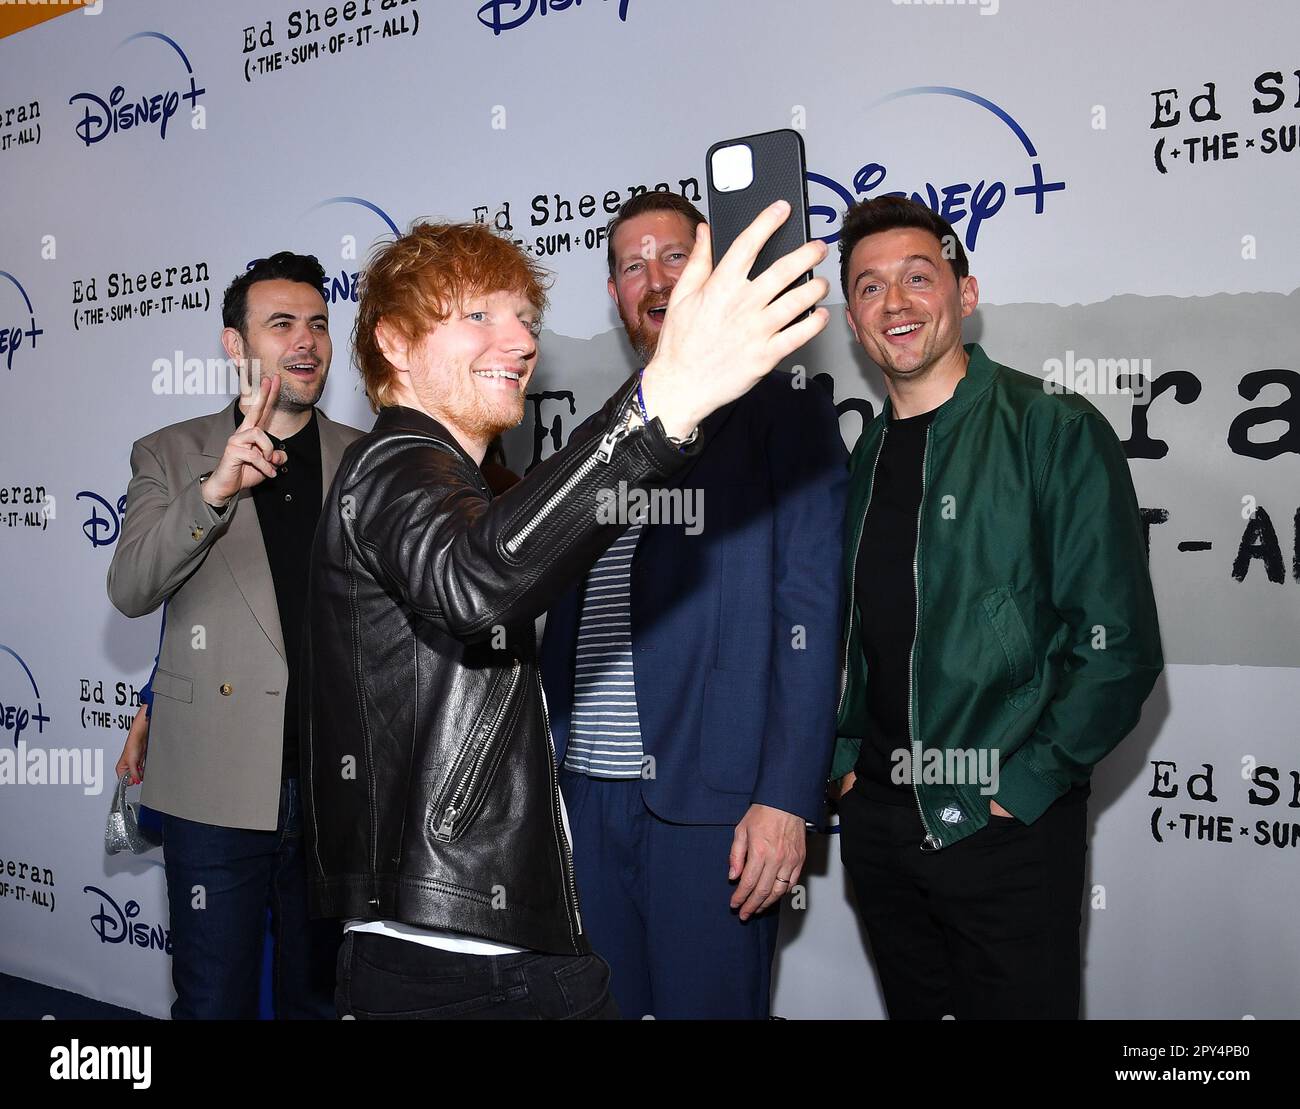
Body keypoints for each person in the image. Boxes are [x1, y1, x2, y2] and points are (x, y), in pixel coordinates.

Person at [306, 206, 828, 1020]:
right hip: (458, 957)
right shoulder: (395, 466)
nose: (517, 341)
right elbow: (480, 581)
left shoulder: (449, 483)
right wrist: (667, 397)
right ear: (396, 344)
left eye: (524, 319)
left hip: (491, 930)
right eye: (477, 315)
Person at [830, 196, 1163, 1019]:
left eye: (918, 276)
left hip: (1002, 824)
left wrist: (1023, 785)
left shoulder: (1050, 427)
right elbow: (858, 630)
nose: (895, 302)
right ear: (853, 320)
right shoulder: (864, 454)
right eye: (870, 288)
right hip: (879, 822)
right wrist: (844, 760)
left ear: (964, 293)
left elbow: (1118, 645)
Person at [538, 192, 847, 1019]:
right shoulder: (596, 435)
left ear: (708, 273)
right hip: (583, 799)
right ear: (613, 295)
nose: (655, 279)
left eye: (674, 256)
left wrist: (785, 796)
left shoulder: (788, 416)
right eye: (632, 266)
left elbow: (811, 618)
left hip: (714, 805)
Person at [107, 252, 363, 1019]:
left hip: (333, 788)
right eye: (280, 324)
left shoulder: (368, 457)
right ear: (233, 344)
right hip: (215, 786)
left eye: (317, 323)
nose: (306, 341)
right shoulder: (172, 452)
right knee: (214, 1001)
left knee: (317, 1002)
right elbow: (130, 588)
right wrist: (214, 490)